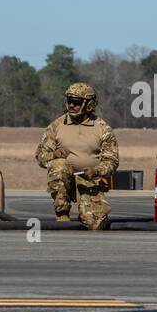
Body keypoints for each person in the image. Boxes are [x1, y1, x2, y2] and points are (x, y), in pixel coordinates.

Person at [35, 82, 119, 230]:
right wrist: (53, 155)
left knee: (94, 225)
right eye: (69, 101)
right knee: (58, 166)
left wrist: (96, 171)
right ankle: (62, 213)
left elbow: (111, 161)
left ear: (89, 105)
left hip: (89, 181)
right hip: (64, 179)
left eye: (76, 102)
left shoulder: (102, 128)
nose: (71, 105)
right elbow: (40, 156)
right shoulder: (56, 125)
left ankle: (89, 209)